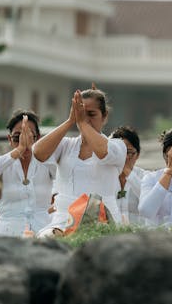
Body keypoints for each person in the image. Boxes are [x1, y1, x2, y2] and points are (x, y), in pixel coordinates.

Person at [34, 87, 126, 236]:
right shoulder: (66, 145)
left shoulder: (117, 146)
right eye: (81, 114)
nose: (86, 119)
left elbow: (103, 152)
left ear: (105, 116)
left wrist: (83, 123)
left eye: (91, 114)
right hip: (63, 221)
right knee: (46, 239)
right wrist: (71, 121)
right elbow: (38, 152)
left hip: (102, 221)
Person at [0, 110, 56, 236]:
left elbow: (66, 177)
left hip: (43, 233)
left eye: (29, 137)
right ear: (9, 139)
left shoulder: (48, 163)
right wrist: (19, 150)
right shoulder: (0, 164)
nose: (24, 142)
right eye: (18, 138)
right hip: (6, 234)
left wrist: (34, 148)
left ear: (38, 138)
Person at [110, 126, 147, 225]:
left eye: (129, 152)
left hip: (139, 234)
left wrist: (128, 173)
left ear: (138, 155)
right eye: (121, 152)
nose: (125, 157)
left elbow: (148, 199)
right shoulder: (105, 176)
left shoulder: (145, 177)